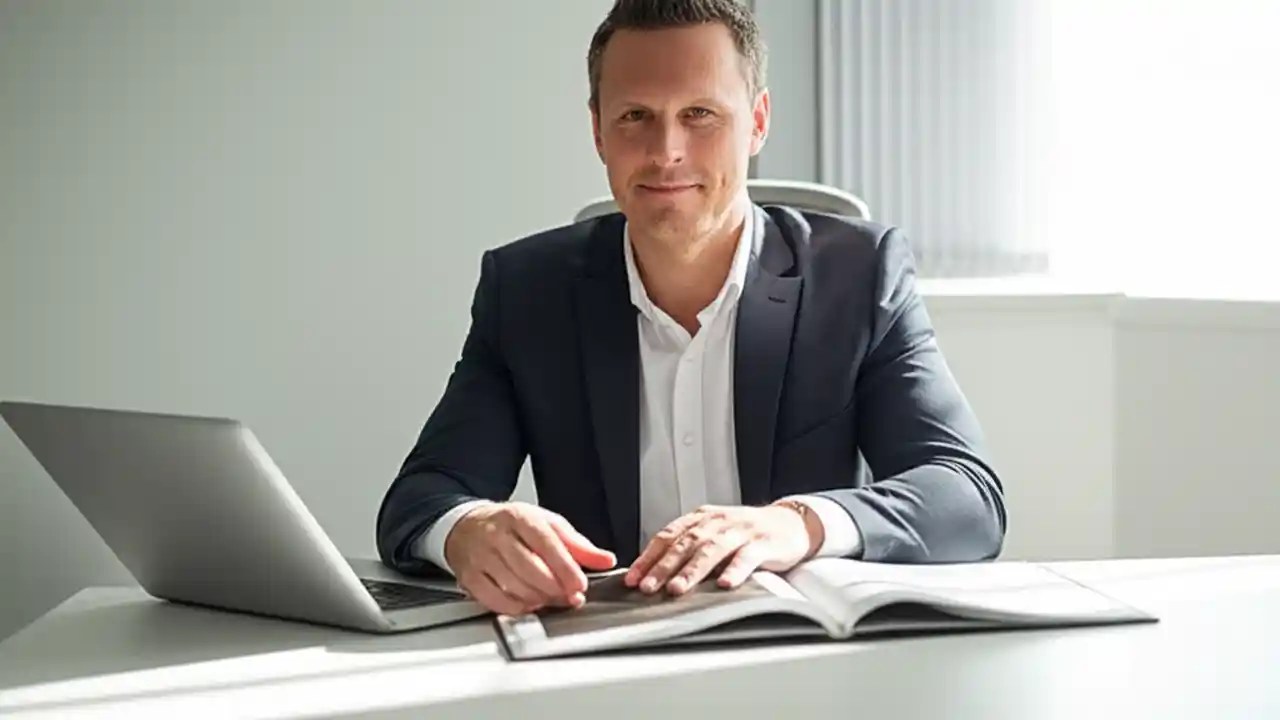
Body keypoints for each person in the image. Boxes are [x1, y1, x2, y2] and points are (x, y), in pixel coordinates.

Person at [376, 0, 1006, 617]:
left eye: (700, 114)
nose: (666, 151)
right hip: (604, 657)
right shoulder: (526, 292)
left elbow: (966, 495)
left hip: (797, 651)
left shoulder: (859, 275)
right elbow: (421, 499)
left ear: (757, 121)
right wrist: (469, 528)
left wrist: (797, 523)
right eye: (635, 116)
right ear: (598, 131)